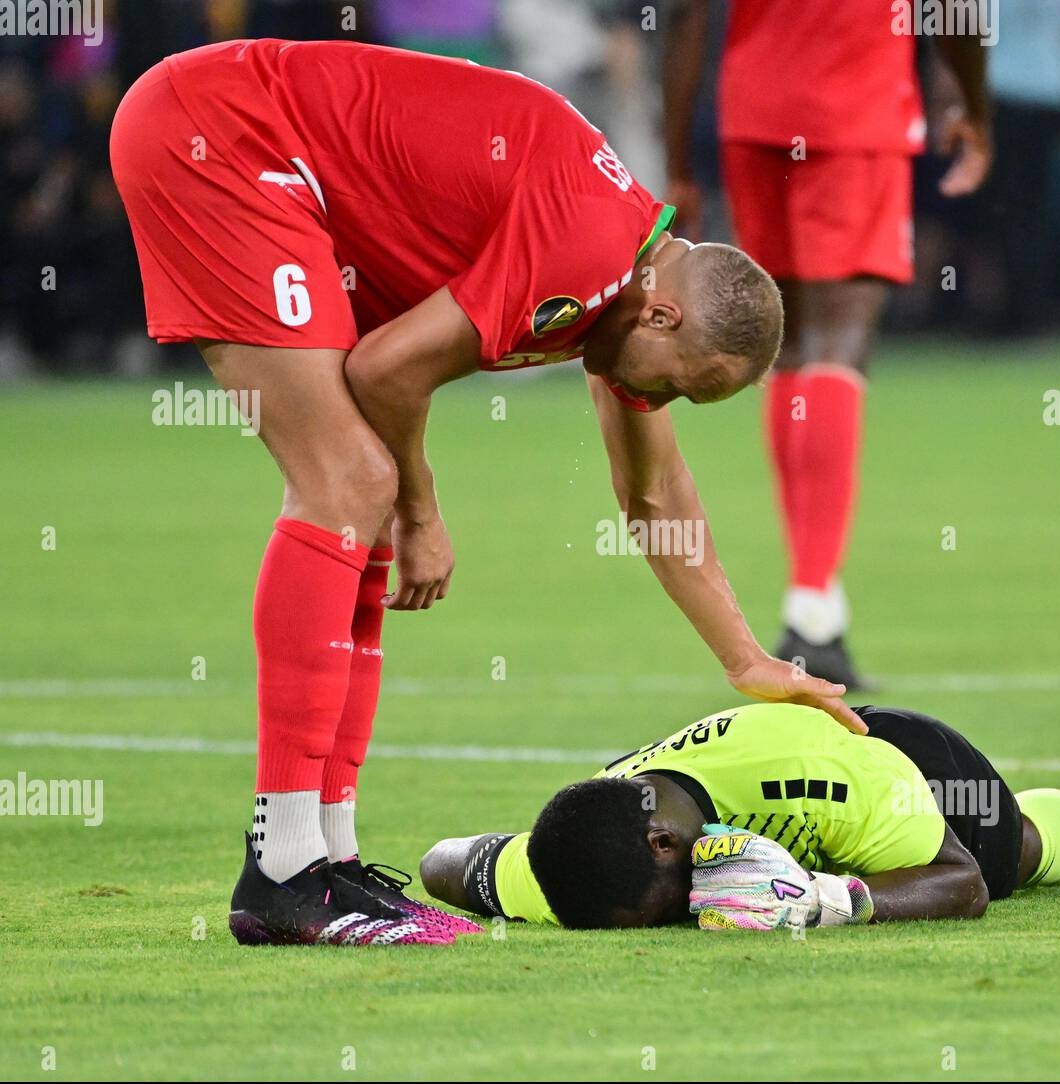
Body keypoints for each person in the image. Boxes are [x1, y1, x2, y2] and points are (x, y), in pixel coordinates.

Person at [110, 38, 865, 948]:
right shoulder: (588, 254)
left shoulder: (627, 285)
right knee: (352, 483)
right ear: (664, 314)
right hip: (222, 135)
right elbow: (386, 370)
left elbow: (657, 492)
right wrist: (424, 514)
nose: (660, 403)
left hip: (265, 151)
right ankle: (281, 872)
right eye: (679, 385)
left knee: (362, 494)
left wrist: (746, 659)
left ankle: (329, 858)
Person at [664, 0, 992, 687]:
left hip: (753, 110)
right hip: (853, 109)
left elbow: (685, 13)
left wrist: (676, 159)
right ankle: (813, 610)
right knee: (839, 344)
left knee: (785, 347)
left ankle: (816, 601)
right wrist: (974, 104)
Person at [420, 703, 1060, 929]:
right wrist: (481, 876)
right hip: (815, 789)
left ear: (664, 839)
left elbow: (962, 882)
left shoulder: (829, 779)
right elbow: (443, 862)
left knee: (1020, 859)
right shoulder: (584, 857)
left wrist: (833, 900)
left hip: (900, 758)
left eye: (674, 905)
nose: (691, 916)